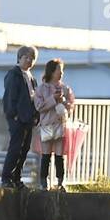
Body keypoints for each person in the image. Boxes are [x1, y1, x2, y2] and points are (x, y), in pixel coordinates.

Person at [32, 59, 75, 190]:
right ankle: (44, 183)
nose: (61, 73)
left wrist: (64, 102)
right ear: (51, 71)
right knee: (45, 156)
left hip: (60, 124)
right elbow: (39, 106)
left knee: (59, 156)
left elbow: (71, 106)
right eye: (58, 70)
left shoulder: (66, 89)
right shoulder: (41, 89)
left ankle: (61, 182)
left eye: (62, 70)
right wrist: (53, 99)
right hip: (46, 125)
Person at [0, 46, 39, 188]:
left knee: (25, 149)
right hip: (17, 118)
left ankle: (17, 178)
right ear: (19, 58)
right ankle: (6, 178)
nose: (29, 60)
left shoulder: (31, 78)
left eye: (32, 58)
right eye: (26, 57)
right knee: (15, 148)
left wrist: (36, 116)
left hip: (28, 119)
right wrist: (14, 115)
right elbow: (10, 97)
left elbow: (35, 99)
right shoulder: (13, 74)